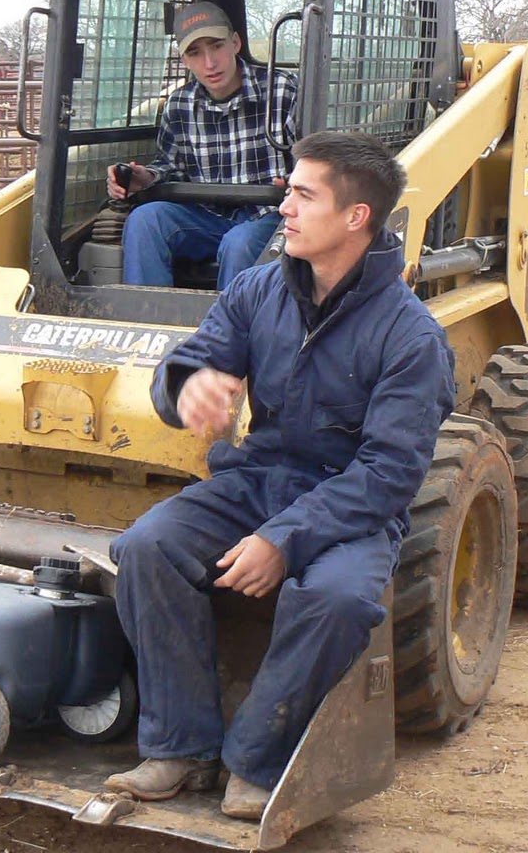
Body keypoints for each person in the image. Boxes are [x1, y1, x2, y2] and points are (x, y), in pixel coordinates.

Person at [103, 131, 456, 821]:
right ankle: (180, 747)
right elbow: (189, 361)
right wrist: (187, 386)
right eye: (289, 191)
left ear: (356, 217)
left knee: (341, 599)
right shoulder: (257, 289)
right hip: (255, 481)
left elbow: (387, 475)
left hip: (350, 506)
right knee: (147, 547)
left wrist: (285, 540)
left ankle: (256, 761)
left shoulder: (413, 338)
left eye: (303, 194)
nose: (284, 206)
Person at [106, 1, 299, 289]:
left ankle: (229, 331)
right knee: (145, 220)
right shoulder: (179, 104)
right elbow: (171, 166)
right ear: (184, 60)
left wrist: (292, 182)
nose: (209, 63)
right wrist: (146, 178)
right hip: (207, 217)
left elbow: (312, 163)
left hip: (269, 216)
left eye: (216, 46)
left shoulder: (283, 91)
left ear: (235, 43)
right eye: (195, 53)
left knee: (239, 243)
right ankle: (147, 324)